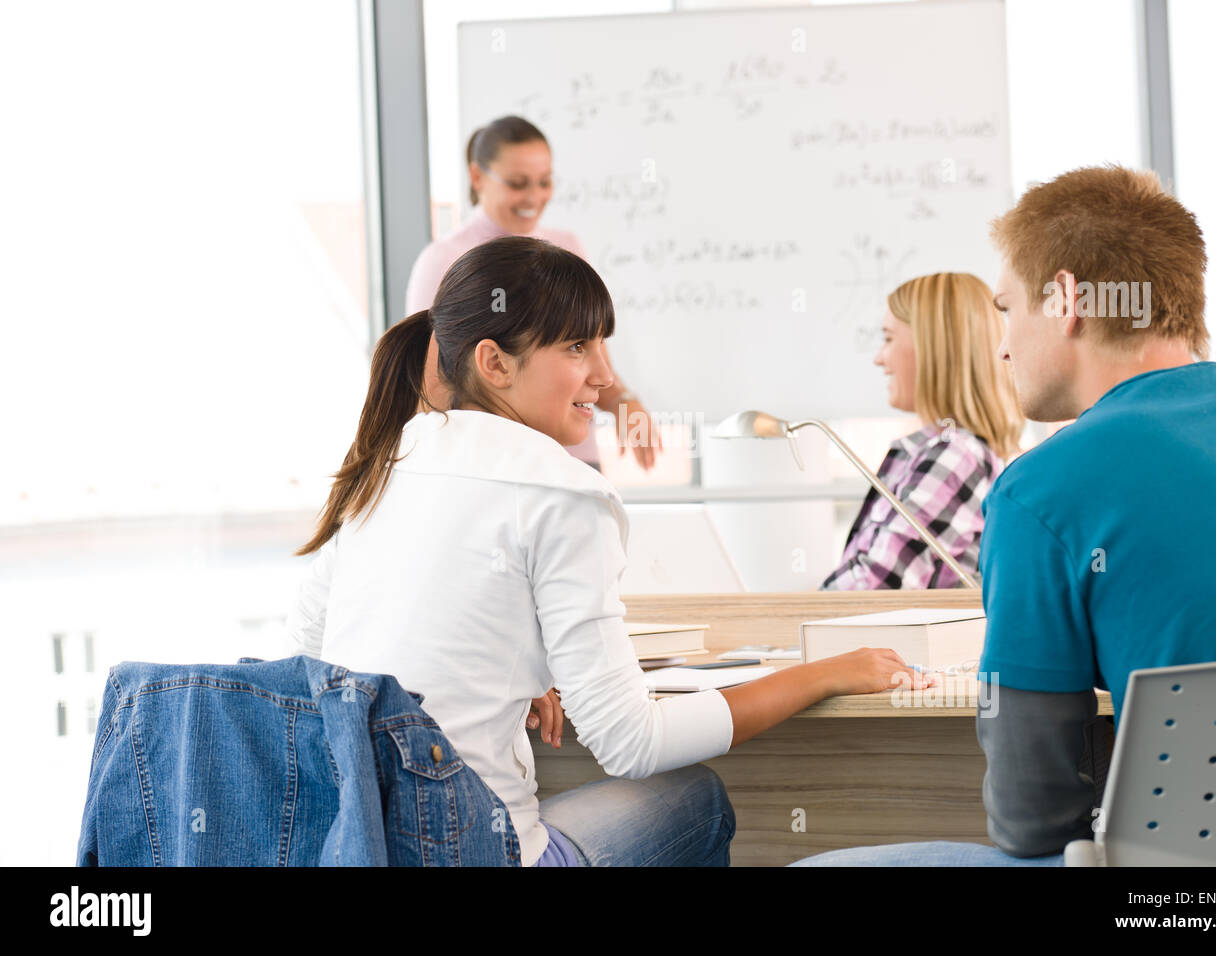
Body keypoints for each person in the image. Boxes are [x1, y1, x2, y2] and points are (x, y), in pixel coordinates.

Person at [285, 235, 932, 867]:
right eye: (576, 346)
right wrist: (827, 673)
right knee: (698, 797)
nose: (605, 375)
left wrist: (517, 673)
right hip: (489, 849)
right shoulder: (561, 488)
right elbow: (632, 743)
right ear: (494, 362)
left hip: (356, 845)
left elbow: (312, 662)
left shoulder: (385, 462)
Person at [793, 164, 1216, 866]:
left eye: (1005, 308)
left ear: (1065, 300)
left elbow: (1032, 820)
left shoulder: (1045, 489)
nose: (1000, 344)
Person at [405, 114, 659, 473]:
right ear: (477, 177)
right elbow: (429, 387)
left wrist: (624, 403)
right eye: (518, 183)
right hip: (495, 467)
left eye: (544, 182)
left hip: (574, 459)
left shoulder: (566, 247)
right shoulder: (443, 261)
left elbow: (589, 352)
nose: (534, 197)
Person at [821, 273, 1023, 590]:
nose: (879, 358)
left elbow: (873, 588)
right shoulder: (935, 451)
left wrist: (777, 616)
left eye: (888, 338)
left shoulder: (955, 456)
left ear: (933, 349)